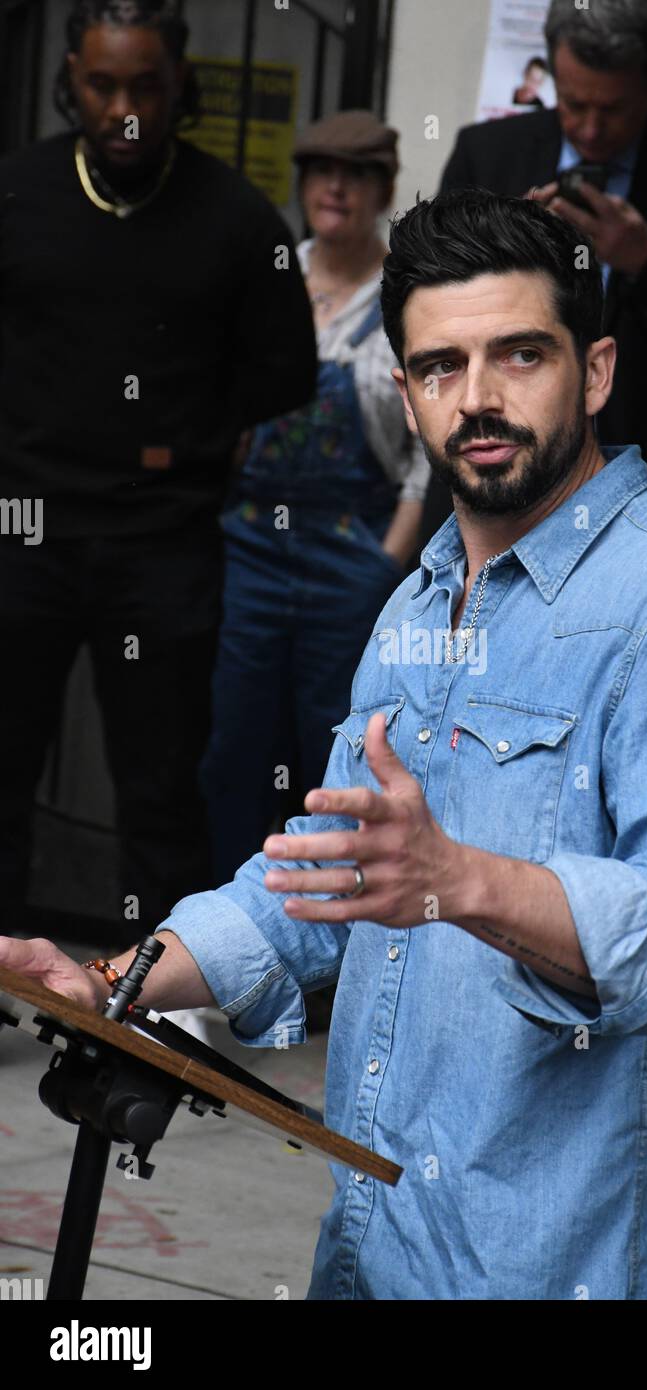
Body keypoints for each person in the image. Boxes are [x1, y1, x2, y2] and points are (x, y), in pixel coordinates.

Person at [0, 188, 647, 1301]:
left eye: (520, 355)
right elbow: (318, 882)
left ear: (599, 370)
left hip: (566, 1264)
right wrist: (116, 982)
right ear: (405, 393)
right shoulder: (418, 606)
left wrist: (462, 881)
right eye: (439, 367)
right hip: (378, 1247)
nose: (477, 399)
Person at [0, 0, 317, 939]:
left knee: (163, 782)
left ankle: (155, 1007)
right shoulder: (17, 192)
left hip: (162, 543)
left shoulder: (234, 218)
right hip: (23, 534)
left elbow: (285, 373)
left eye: (146, 84)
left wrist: (181, 440)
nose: (124, 108)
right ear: (71, 79)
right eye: (103, 84)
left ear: (181, 85)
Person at [413, 0, 647, 565]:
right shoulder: (488, 154)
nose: (592, 129)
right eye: (574, 105)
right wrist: (507, 247)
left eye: (615, 109)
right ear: (551, 68)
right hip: (486, 469)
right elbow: (429, 307)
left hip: (644, 484)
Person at [201, 111, 430, 886]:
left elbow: (424, 457)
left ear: (383, 190)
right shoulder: (266, 276)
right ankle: (217, 961)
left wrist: (384, 564)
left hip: (350, 559)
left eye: (357, 173)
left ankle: (318, 969)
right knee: (232, 754)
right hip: (251, 552)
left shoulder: (405, 297)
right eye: (322, 169)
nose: (336, 186)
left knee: (331, 761)